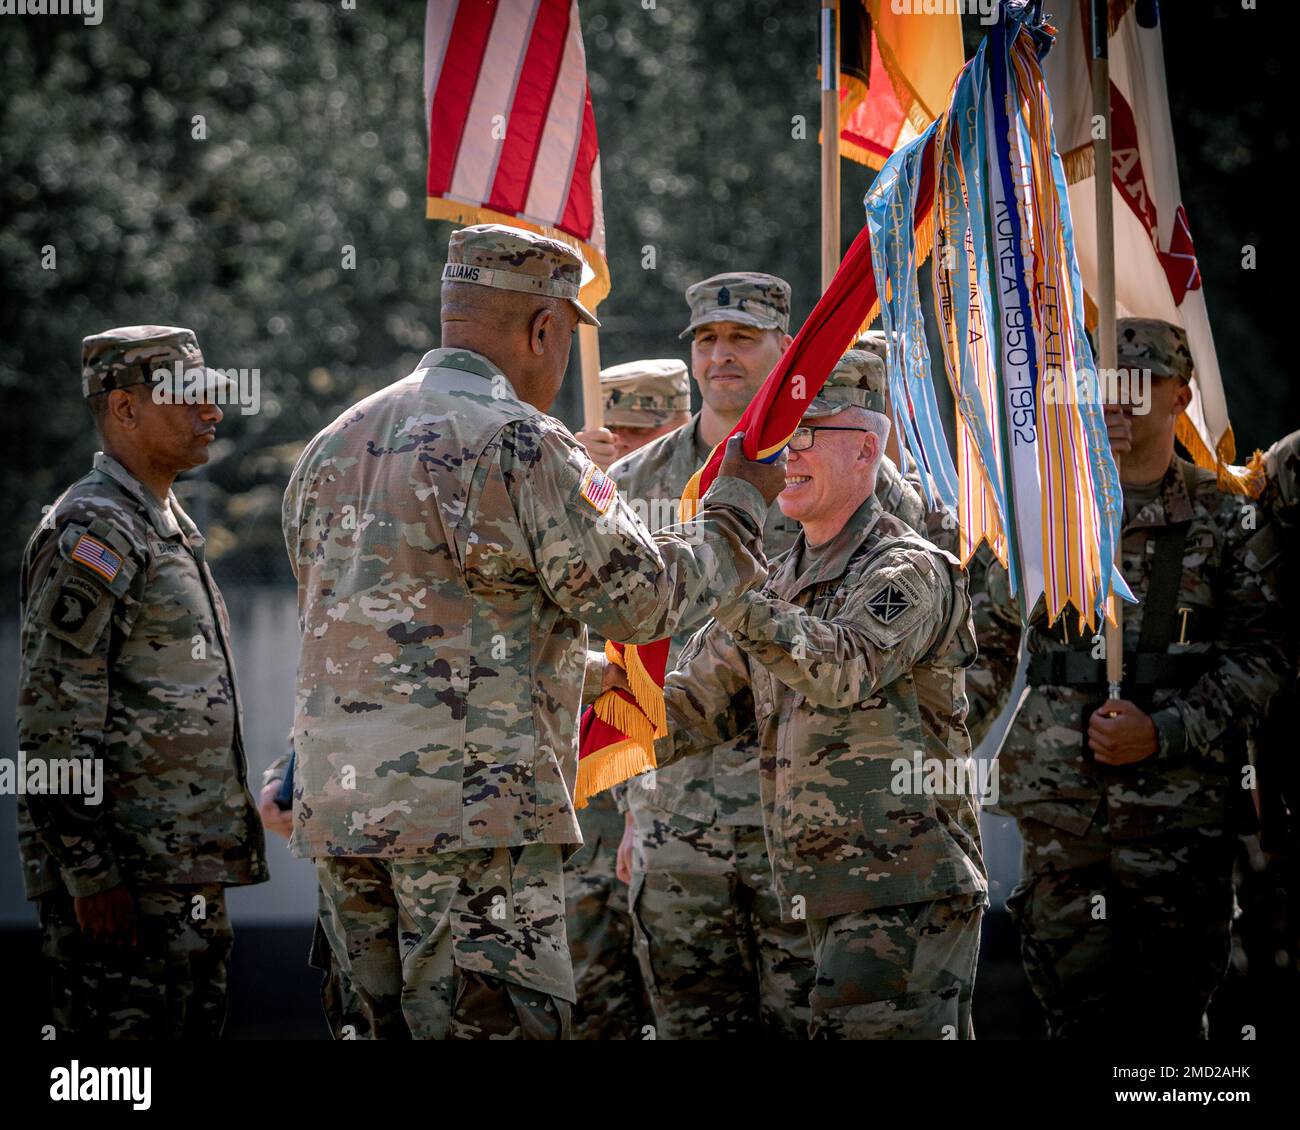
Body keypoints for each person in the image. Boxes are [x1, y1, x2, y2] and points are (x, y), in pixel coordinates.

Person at [281, 224, 784, 1040]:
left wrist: (579, 673)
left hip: (345, 824)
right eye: (564, 337)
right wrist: (737, 505)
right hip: (476, 826)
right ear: (545, 329)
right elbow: (644, 602)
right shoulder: (519, 443)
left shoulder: (334, 442)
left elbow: (412, 632)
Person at [608, 277, 929, 1039]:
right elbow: (613, 641)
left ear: (786, 351)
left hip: (805, 816)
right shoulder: (630, 483)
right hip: (678, 815)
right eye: (706, 339)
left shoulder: (853, 478)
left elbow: (902, 650)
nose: (721, 355)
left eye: (743, 339)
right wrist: (629, 804)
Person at [644, 358, 987, 1038]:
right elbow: (688, 710)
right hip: (818, 897)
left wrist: (727, 581)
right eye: (780, 437)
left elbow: (841, 668)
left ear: (867, 449)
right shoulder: (778, 582)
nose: (785, 454)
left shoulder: (908, 567)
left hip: (903, 892)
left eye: (808, 434)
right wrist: (581, 683)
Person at [986, 317, 1285, 1038]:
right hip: (1064, 815)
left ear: (1182, 397)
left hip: (1179, 817)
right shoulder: (1053, 510)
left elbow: (1265, 655)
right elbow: (994, 621)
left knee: (1172, 1023)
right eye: (1106, 385)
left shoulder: (1227, 515)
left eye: (1142, 383)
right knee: (1075, 1017)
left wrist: (1167, 729)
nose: (1120, 400)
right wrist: (1079, 491)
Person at [16, 325, 268, 1038]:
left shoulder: (157, 523)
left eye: (212, 397)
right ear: (123, 409)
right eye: (189, 397)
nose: (213, 412)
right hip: (126, 886)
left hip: (176, 875)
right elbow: (53, 717)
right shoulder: (93, 530)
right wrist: (91, 874)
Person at [564, 359, 690, 1039]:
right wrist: (577, 485)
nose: (626, 451)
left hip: (672, 796)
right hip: (583, 800)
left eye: (644, 432)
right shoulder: (568, 505)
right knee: (593, 995)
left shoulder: (694, 517)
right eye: (611, 435)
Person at [575, 358, 692, 471]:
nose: (619, 442)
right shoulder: (588, 469)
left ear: (684, 424)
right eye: (609, 428)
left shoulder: (703, 477)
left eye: (638, 429)